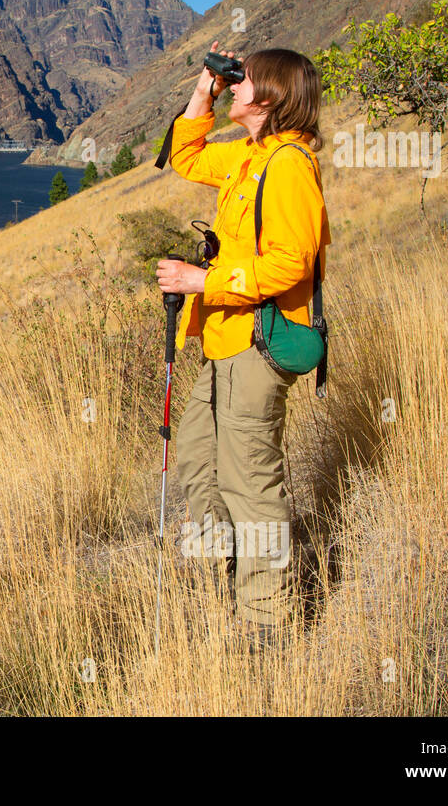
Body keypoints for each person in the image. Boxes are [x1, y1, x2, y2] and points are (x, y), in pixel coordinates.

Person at [155, 41, 330, 646]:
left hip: (257, 342)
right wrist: (203, 88)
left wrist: (203, 280)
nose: (235, 85)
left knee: (250, 480)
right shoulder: (250, 156)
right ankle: (211, 580)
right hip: (223, 338)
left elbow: (290, 263)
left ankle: (266, 620)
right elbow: (185, 155)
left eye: (242, 79)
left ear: (271, 96)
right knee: (199, 463)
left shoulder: (288, 165)